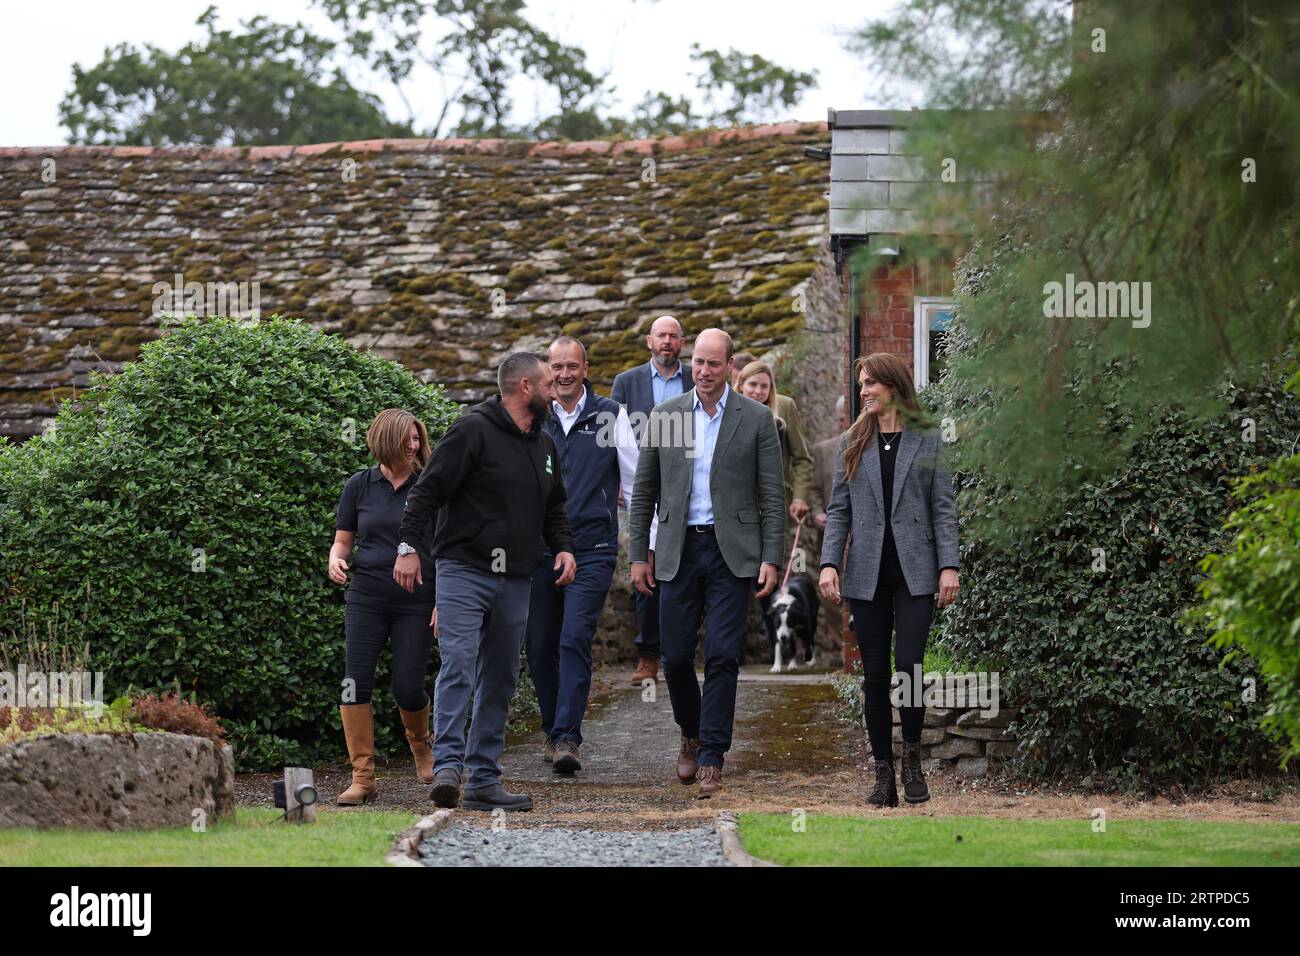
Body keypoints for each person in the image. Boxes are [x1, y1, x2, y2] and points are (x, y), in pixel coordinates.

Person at [395, 353, 576, 812]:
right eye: (548, 385)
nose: (556, 392)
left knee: (500, 676)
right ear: (523, 387)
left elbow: (555, 508)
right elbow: (427, 491)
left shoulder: (545, 446)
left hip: (516, 578)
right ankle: (449, 768)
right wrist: (408, 548)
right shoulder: (471, 430)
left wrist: (564, 547)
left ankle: (484, 778)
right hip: (464, 570)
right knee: (458, 661)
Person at [628, 328, 785, 798]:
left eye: (714, 363)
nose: (704, 370)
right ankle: (690, 733)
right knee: (674, 656)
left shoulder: (756, 419)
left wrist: (771, 557)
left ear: (730, 367)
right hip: (678, 548)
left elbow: (772, 497)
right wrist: (638, 553)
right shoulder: (666, 415)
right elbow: (644, 493)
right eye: (698, 362)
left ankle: (713, 755)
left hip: (731, 552)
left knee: (722, 655)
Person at [819, 353, 959, 808]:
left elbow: (943, 509)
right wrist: (828, 564)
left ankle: (913, 760)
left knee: (911, 670)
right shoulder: (851, 442)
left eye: (870, 384)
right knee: (876, 677)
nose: (863, 392)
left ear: (893, 386)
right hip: (867, 574)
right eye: (860, 385)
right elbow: (839, 510)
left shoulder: (928, 440)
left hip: (916, 573)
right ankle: (883, 774)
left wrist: (948, 566)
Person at [527, 336, 640, 774]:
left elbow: (631, 484)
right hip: (539, 550)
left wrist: (644, 547)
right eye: (556, 367)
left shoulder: (611, 415)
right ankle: (552, 727)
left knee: (573, 638)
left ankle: (568, 737)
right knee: (538, 645)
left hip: (592, 547)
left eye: (572, 366)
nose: (564, 374)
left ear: (586, 368)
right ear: (547, 370)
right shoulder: (535, 418)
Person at [328, 408, 438, 806]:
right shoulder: (359, 485)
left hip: (417, 601)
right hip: (367, 597)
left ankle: (422, 745)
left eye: (417, 439)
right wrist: (335, 558)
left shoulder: (429, 486)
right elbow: (344, 540)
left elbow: (445, 550)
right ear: (386, 440)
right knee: (354, 681)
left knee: (407, 685)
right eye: (407, 439)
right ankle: (363, 777)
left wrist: (442, 601)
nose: (414, 446)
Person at [610, 314, 694, 685]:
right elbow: (610, 436)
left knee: (689, 565)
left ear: (682, 342)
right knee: (645, 564)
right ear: (649, 341)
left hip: (691, 483)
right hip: (642, 484)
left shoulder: (698, 378)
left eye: (673, 336)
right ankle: (648, 656)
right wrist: (615, 481)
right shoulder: (626, 383)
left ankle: (682, 651)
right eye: (661, 336)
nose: (667, 342)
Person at [731, 351, 812, 523]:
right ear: (741, 385)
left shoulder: (785, 407)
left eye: (764, 386)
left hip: (775, 502)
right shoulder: (727, 414)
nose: (758, 391)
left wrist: (799, 497)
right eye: (752, 385)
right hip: (737, 502)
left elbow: (802, 458)